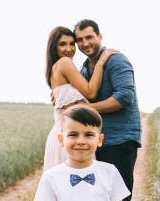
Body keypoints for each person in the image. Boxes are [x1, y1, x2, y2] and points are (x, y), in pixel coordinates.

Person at [73, 19, 141, 201]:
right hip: (98, 142)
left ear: (100, 36)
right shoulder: (85, 66)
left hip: (121, 140)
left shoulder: (116, 60)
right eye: (80, 40)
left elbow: (124, 97)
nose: (85, 43)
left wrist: (88, 110)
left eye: (89, 37)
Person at [43, 26, 115, 170]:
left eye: (72, 44)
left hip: (65, 134)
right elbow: (91, 92)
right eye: (62, 44)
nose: (69, 49)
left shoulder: (55, 68)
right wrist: (101, 62)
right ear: (53, 47)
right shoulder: (65, 63)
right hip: (70, 135)